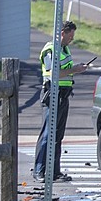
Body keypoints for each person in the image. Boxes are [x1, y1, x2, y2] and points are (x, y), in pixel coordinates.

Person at [33, 21, 89, 182]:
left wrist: (76, 70)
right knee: (47, 133)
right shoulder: (50, 49)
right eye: (70, 36)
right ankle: (39, 170)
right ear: (62, 33)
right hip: (52, 94)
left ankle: (54, 171)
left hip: (63, 95)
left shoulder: (64, 48)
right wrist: (75, 69)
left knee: (58, 135)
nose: (72, 39)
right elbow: (53, 72)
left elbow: (65, 71)